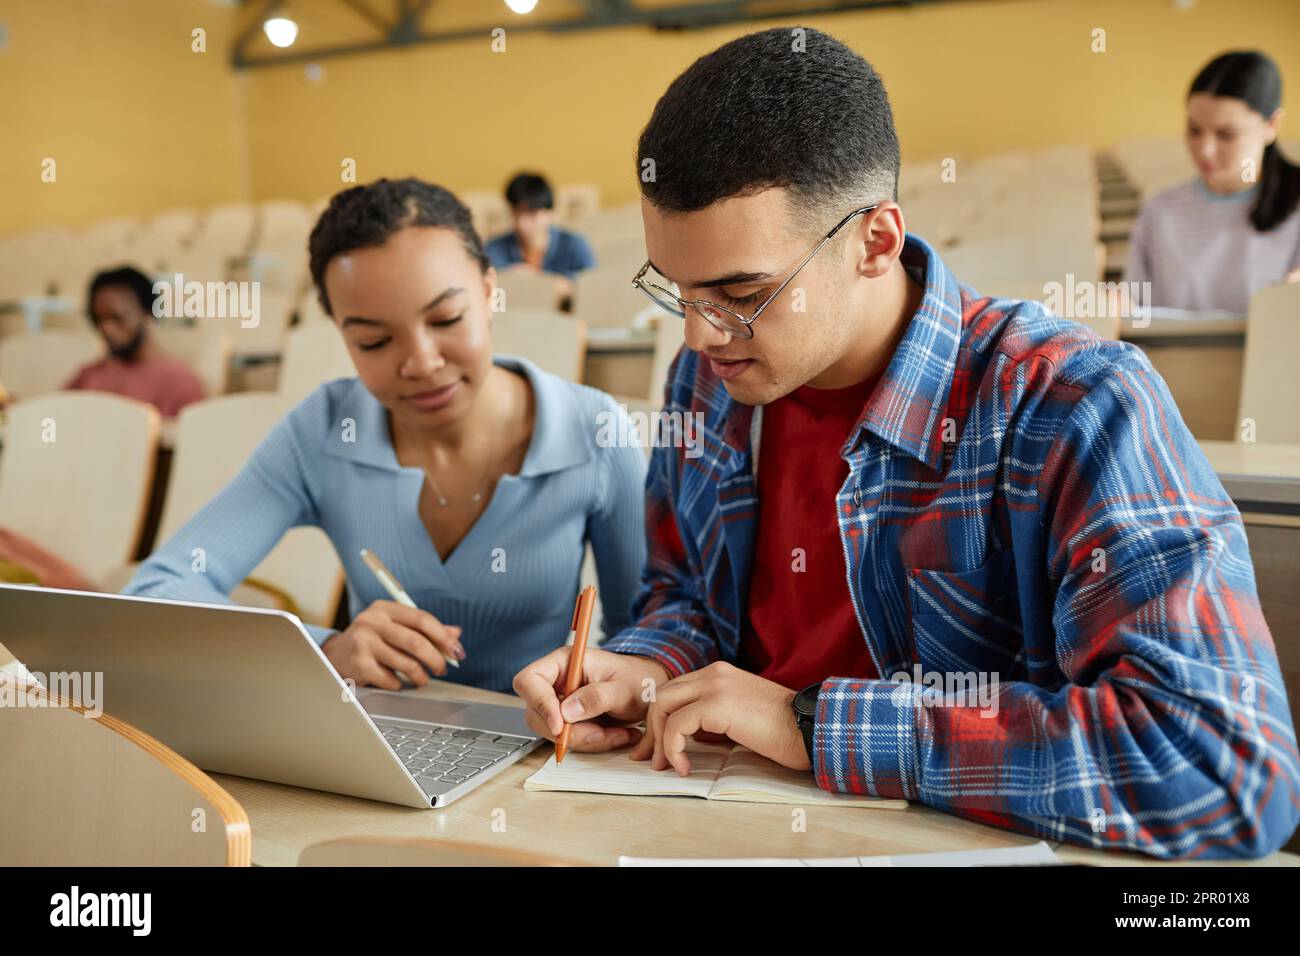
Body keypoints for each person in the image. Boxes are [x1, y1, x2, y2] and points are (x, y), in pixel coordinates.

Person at [514, 27, 1300, 859]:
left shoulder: (1075, 404)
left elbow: (1221, 770)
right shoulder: (708, 382)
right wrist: (641, 673)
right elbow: (687, 600)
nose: (703, 337)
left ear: (876, 242)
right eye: (675, 292)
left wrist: (812, 725)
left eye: (740, 293)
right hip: (716, 825)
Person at [125, 179, 647, 694]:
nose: (421, 362)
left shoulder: (595, 433)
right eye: (374, 341)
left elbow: (643, 633)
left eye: (447, 318)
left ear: (490, 294)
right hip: (377, 745)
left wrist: (595, 697)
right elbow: (156, 590)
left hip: (536, 754)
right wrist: (325, 650)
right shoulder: (323, 430)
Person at [1126, 50, 1300, 313]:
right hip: (1166, 355)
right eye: (1195, 130)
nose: (1205, 150)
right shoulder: (1159, 211)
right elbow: (1132, 311)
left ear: (1272, 126)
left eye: (1226, 134)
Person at [65, 266, 205, 417]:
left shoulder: (180, 382)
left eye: (116, 318)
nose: (106, 328)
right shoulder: (88, 376)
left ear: (147, 312)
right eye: (98, 319)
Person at [484, 171, 596, 304]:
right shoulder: (494, 249)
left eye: (532, 214)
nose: (522, 223)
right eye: (517, 213)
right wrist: (507, 279)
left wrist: (539, 280)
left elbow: (594, 289)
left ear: (549, 213)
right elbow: (489, 301)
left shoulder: (574, 245)